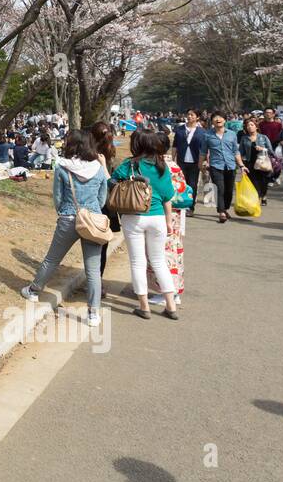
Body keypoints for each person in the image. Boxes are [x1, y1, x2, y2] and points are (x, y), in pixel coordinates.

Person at [19, 130, 108, 327]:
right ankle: (93, 313)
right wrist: (92, 210)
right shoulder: (98, 168)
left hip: (68, 218)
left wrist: (63, 212)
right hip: (92, 220)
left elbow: (58, 197)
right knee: (92, 269)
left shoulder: (62, 167)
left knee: (52, 259)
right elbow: (103, 198)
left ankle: (34, 291)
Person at [112, 129, 178, 320]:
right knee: (159, 261)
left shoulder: (129, 165)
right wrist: (168, 221)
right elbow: (167, 196)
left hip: (133, 217)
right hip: (157, 218)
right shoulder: (162, 166)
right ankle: (171, 306)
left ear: (137, 144)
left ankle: (144, 307)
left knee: (137, 262)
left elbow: (112, 182)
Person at [200, 111, 244, 224]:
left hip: (230, 166)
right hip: (215, 165)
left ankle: (225, 208)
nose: (218, 119)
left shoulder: (232, 134)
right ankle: (221, 213)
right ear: (212, 121)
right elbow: (203, 152)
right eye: (215, 118)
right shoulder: (207, 135)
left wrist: (241, 165)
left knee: (229, 190)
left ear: (225, 120)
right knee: (220, 188)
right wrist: (201, 165)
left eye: (220, 118)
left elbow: (236, 151)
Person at [172, 110, 204, 210]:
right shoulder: (180, 129)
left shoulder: (202, 131)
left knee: (193, 185)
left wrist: (205, 160)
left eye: (192, 115)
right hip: (181, 160)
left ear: (197, 117)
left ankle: (191, 206)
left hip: (195, 161)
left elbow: (204, 148)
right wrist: (172, 159)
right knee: (181, 184)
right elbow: (175, 145)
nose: (189, 117)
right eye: (188, 115)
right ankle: (181, 204)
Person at [238, 117, 274, 205]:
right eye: (247, 126)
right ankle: (256, 197)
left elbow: (271, 151)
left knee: (263, 181)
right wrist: (241, 162)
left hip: (262, 163)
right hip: (250, 163)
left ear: (256, 126)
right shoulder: (244, 138)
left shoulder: (263, 137)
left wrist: (262, 149)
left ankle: (264, 196)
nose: (249, 127)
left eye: (252, 125)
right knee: (253, 182)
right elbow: (240, 152)